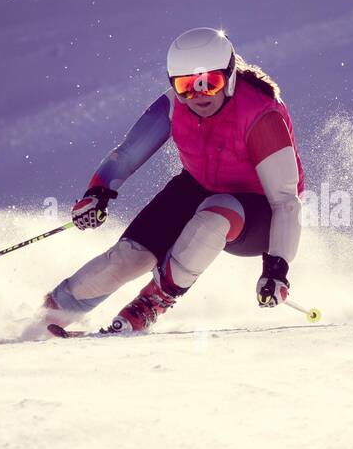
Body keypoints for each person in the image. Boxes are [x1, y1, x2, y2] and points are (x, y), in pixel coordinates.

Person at [36, 27, 303, 335]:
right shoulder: (175, 105)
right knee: (128, 259)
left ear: (229, 76)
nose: (199, 95)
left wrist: (277, 269)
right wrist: (98, 191)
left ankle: (148, 306)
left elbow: (286, 202)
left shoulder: (261, 115)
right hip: (198, 186)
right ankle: (47, 316)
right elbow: (126, 154)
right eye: (186, 86)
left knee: (214, 217)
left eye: (210, 83)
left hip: (262, 213)